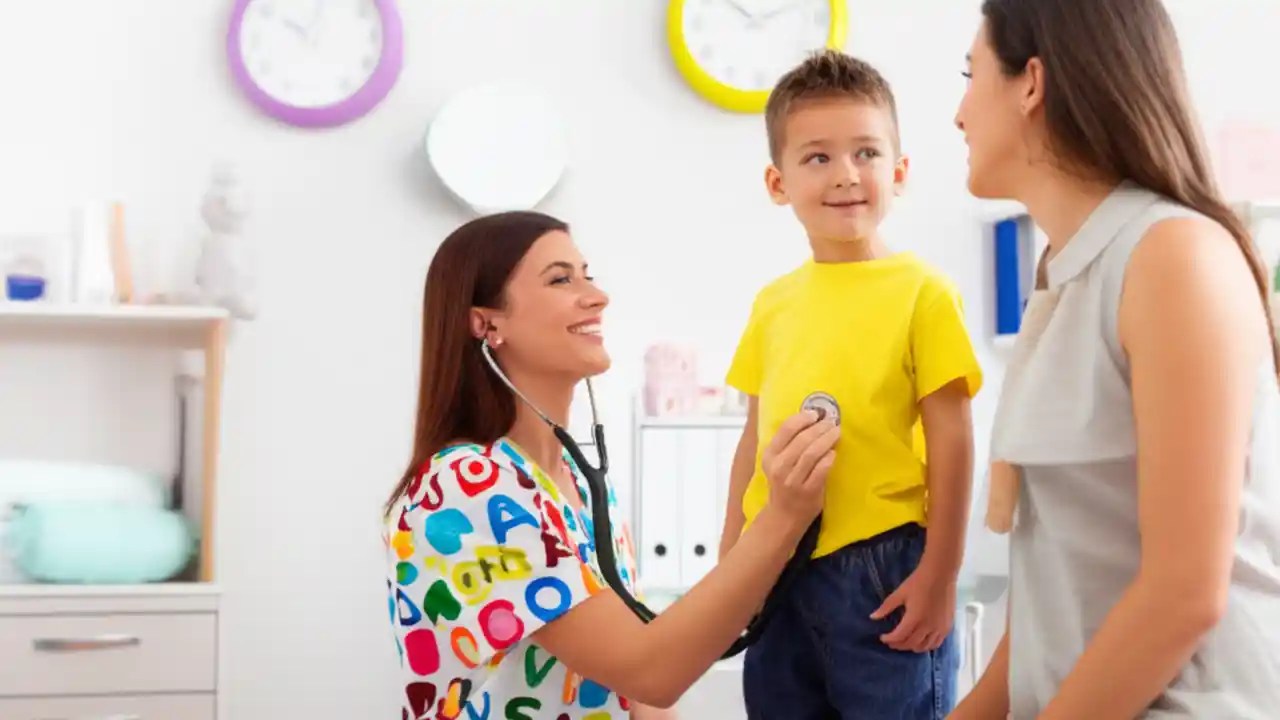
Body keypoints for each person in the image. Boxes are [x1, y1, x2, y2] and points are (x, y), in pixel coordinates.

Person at [950, 0, 1280, 718]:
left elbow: (1183, 594)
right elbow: (1055, 593)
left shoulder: (1173, 257)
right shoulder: (1066, 275)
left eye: (971, 74)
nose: (958, 113)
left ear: (1030, 83)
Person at [382, 210, 841, 719]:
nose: (597, 297)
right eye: (561, 279)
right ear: (486, 322)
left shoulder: (573, 481)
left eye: (587, 275)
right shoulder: (466, 487)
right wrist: (783, 517)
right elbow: (648, 669)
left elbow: (638, 691)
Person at [718, 50, 984, 719]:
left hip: (882, 571)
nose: (846, 175)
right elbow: (753, 437)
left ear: (899, 172)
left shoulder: (925, 293)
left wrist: (941, 574)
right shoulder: (772, 303)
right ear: (778, 183)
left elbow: (952, 437)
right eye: (818, 158)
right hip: (774, 565)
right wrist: (731, 567)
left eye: (866, 153)